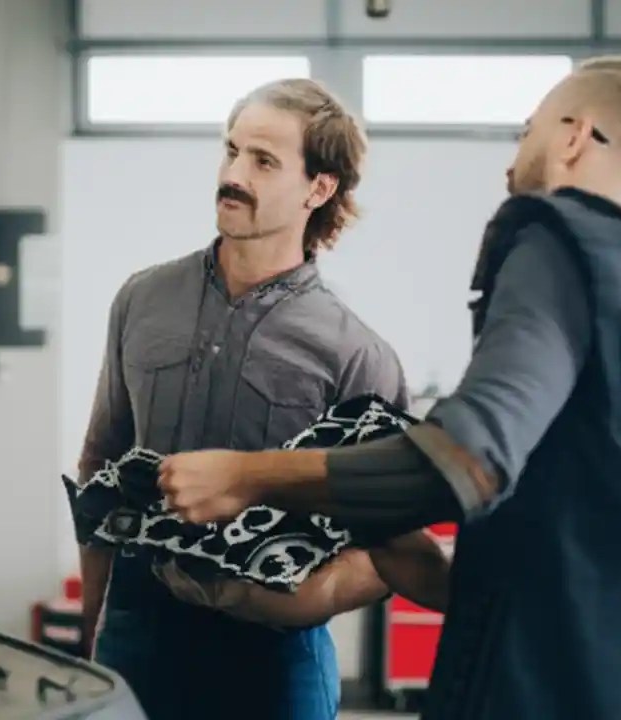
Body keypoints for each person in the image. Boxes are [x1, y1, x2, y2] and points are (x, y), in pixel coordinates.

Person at [158, 56, 621, 719]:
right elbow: (592, 536)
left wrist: (249, 475)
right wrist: (437, 568)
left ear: (573, 137)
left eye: (527, 132)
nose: (512, 159)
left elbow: (470, 458)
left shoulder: (558, 244)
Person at [73, 77, 434, 720]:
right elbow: (101, 459)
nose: (234, 173)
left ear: (318, 189)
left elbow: (391, 547)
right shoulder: (141, 299)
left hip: (272, 653)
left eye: (264, 161)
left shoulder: (356, 354)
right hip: (138, 628)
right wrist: (93, 633)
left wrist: (309, 599)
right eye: (232, 151)